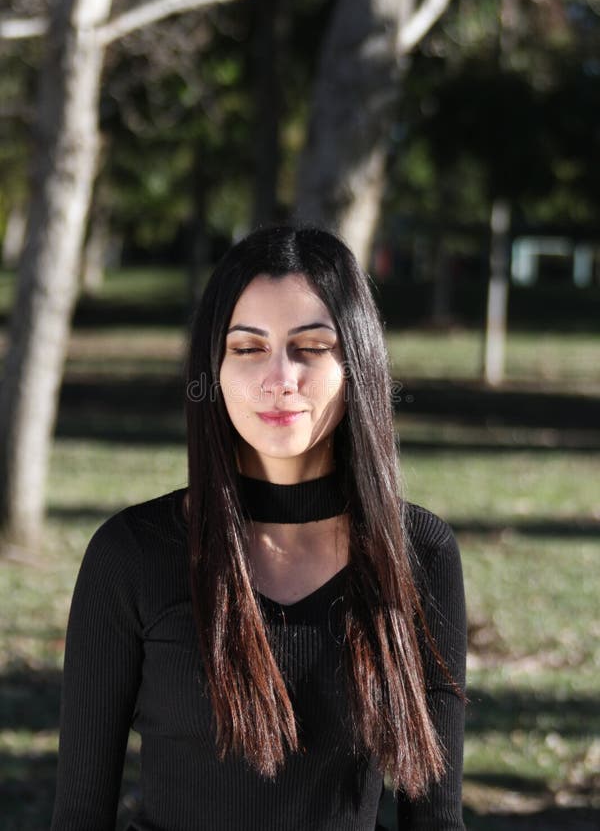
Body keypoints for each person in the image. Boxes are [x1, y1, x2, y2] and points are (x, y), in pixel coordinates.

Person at [50, 225, 467, 831]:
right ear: (213, 371)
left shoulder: (420, 555)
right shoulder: (131, 555)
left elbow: (435, 820)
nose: (281, 378)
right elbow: (80, 817)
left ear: (358, 364)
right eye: (248, 348)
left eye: (312, 346)